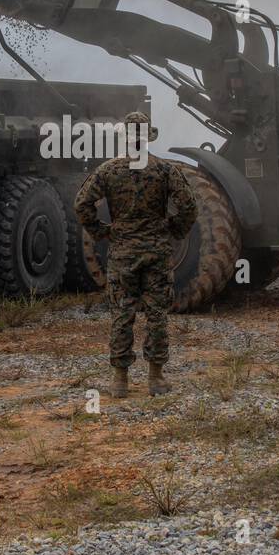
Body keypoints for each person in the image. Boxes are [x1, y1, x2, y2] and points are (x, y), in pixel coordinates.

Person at [74, 112, 198, 398]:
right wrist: (173, 229)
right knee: (156, 315)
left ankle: (120, 382)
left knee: (122, 314)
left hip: (123, 253)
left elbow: (82, 204)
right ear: (149, 137)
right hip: (156, 252)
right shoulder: (165, 170)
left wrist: (102, 231)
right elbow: (189, 205)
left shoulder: (108, 171)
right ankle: (156, 379)